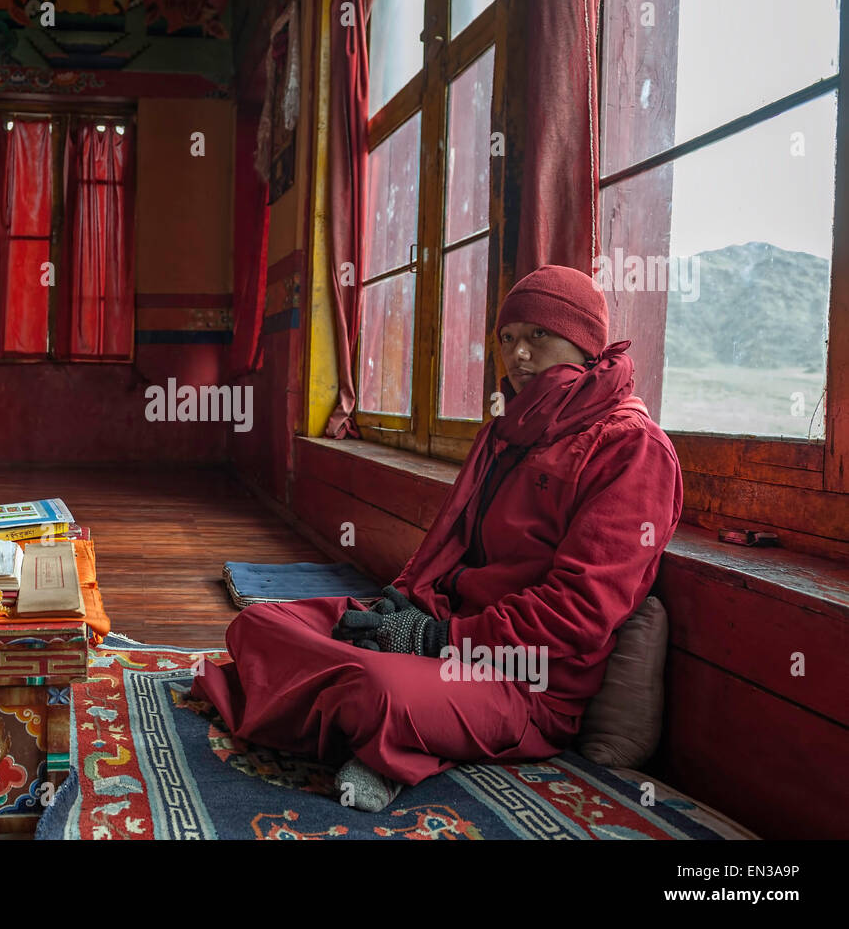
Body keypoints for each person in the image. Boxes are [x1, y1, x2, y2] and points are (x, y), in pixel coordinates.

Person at [190, 264, 684, 812]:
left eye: (539, 336)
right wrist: (403, 611)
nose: (519, 355)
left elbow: (579, 613)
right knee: (261, 623)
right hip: (438, 626)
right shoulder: (506, 431)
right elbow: (447, 547)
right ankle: (382, 733)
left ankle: (383, 737)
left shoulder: (632, 448)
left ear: (587, 342)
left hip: (526, 681)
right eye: (508, 338)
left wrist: (436, 640)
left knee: (379, 690)